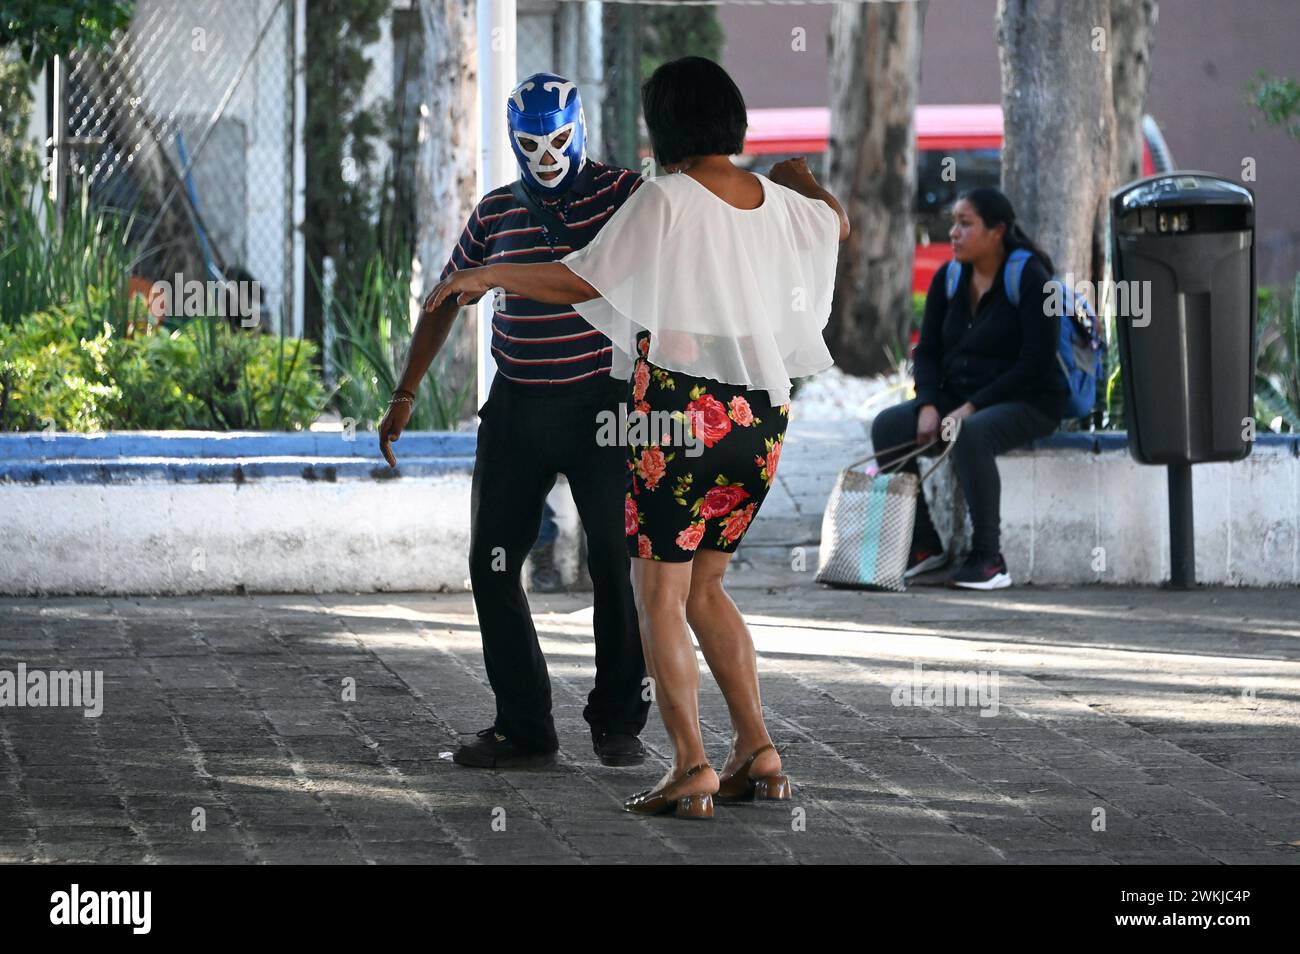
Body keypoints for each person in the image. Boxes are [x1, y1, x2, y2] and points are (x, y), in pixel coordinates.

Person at [426, 56, 848, 819]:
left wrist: (490, 276)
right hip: (760, 424)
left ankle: (691, 766)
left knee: (661, 591)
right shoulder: (786, 205)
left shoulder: (667, 199)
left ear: (667, 126)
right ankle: (759, 751)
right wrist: (805, 179)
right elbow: (839, 222)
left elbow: (585, 279)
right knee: (708, 589)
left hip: (681, 417)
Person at [380, 72, 652, 769]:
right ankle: (524, 727)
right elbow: (443, 299)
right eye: (532, 144)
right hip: (516, 405)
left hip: (602, 404)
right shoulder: (498, 209)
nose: (548, 156)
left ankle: (619, 721)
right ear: (512, 140)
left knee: (616, 560)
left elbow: (614, 270)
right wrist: (405, 392)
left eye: (559, 140)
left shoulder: (622, 195)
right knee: (491, 560)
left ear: (580, 128)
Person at [871, 187, 1068, 590]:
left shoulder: (1030, 277)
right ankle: (924, 546)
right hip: (958, 398)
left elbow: (1036, 363)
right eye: (954, 223)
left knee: (971, 433)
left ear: (996, 231)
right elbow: (926, 352)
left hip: (1029, 399)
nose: (954, 233)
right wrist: (926, 404)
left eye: (966, 223)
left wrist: (972, 407)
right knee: (889, 427)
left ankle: (989, 558)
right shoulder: (950, 276)